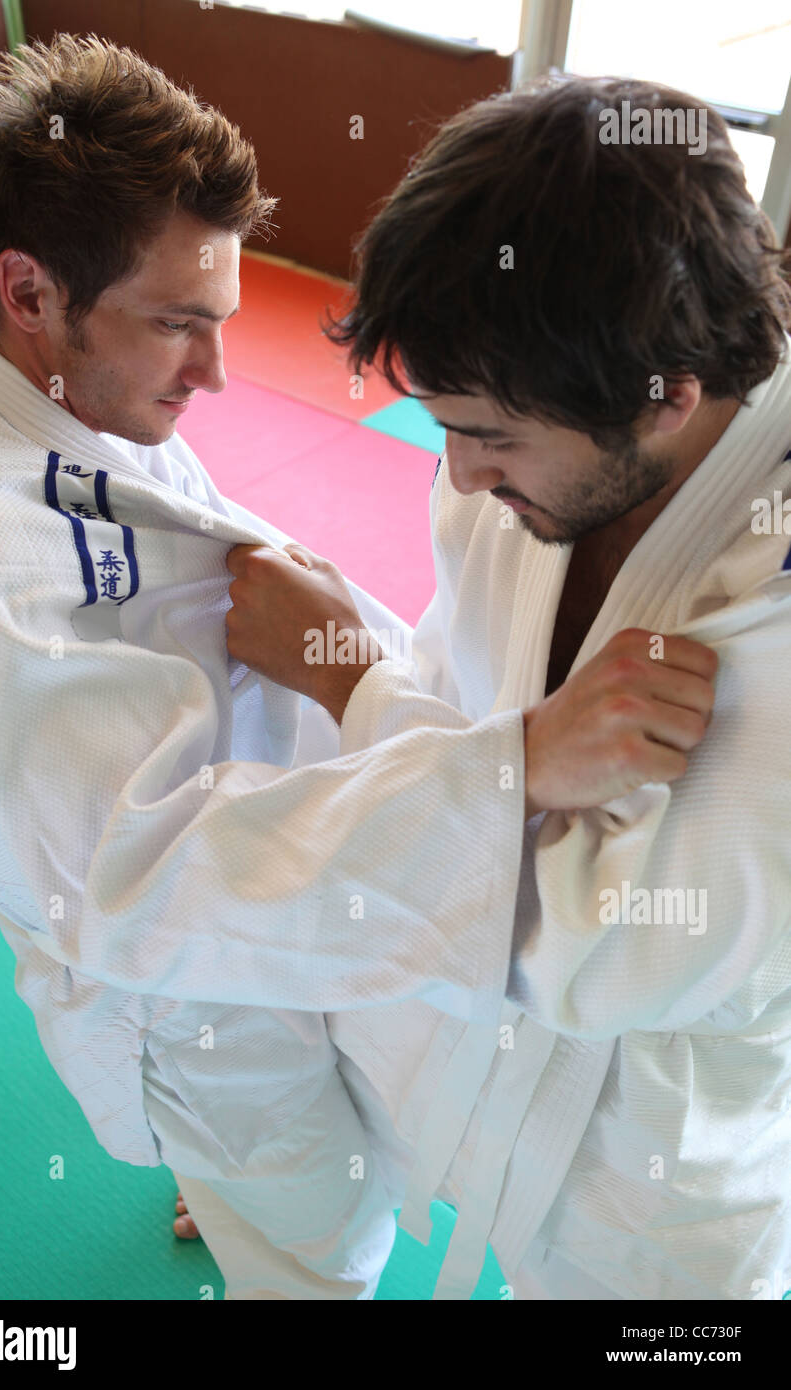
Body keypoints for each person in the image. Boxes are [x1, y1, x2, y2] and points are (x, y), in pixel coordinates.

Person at [224, 75, 791, 1300]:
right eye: (437, 425)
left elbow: (590, 953)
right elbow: (457, 682)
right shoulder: (523, 450)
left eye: (485, 433)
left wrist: (358, 684)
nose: (460, 476)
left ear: (666, 398)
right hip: (454, 1048)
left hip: (651, 1186)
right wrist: (485, 748)